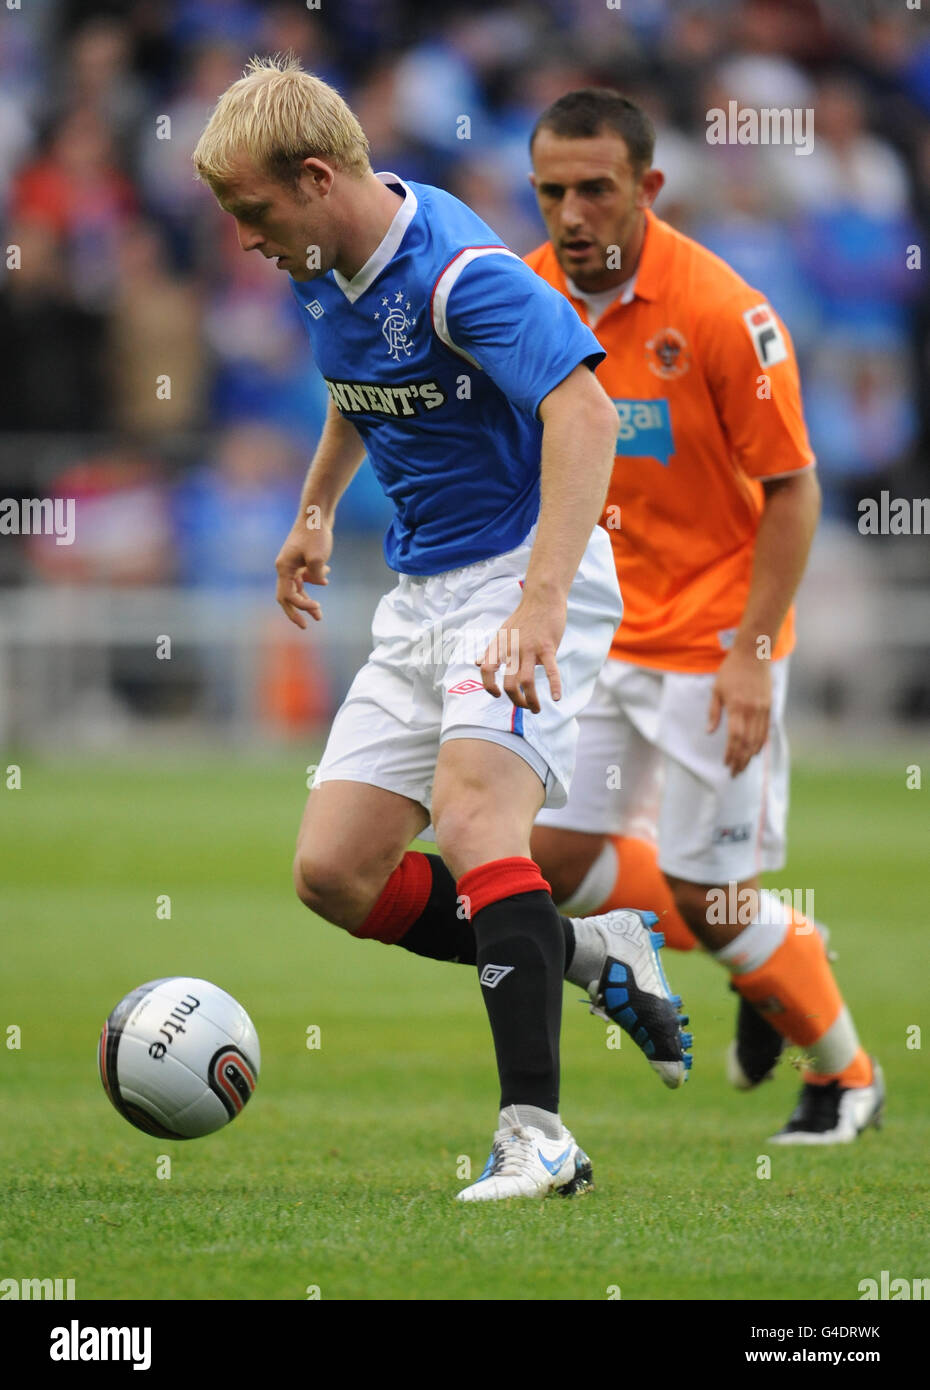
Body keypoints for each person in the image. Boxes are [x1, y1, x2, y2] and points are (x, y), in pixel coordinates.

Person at [192, 56, 691, 1202]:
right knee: (335, 872)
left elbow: (586, 408)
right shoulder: (324, 256)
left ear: (317, 178)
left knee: (476, 820)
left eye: (255, 213)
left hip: (523, 575)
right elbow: (358, 380)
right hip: (423, 594)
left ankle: (538, 1137)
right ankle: (586, 949)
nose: (248, 240)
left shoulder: (460, 276)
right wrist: (314, 512)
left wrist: (544, 602)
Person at [523, 88, 883, 1145]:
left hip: (712, 643)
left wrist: (753, 657)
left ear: (648, 187)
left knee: (710, 896)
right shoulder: (530, 295)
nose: (573, 213)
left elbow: (795, 491)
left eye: (596, 189)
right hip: (600, 638)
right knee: (545, 855)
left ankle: (846, 1073)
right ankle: (775, 951)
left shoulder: (727, 312)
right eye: (552, 191)